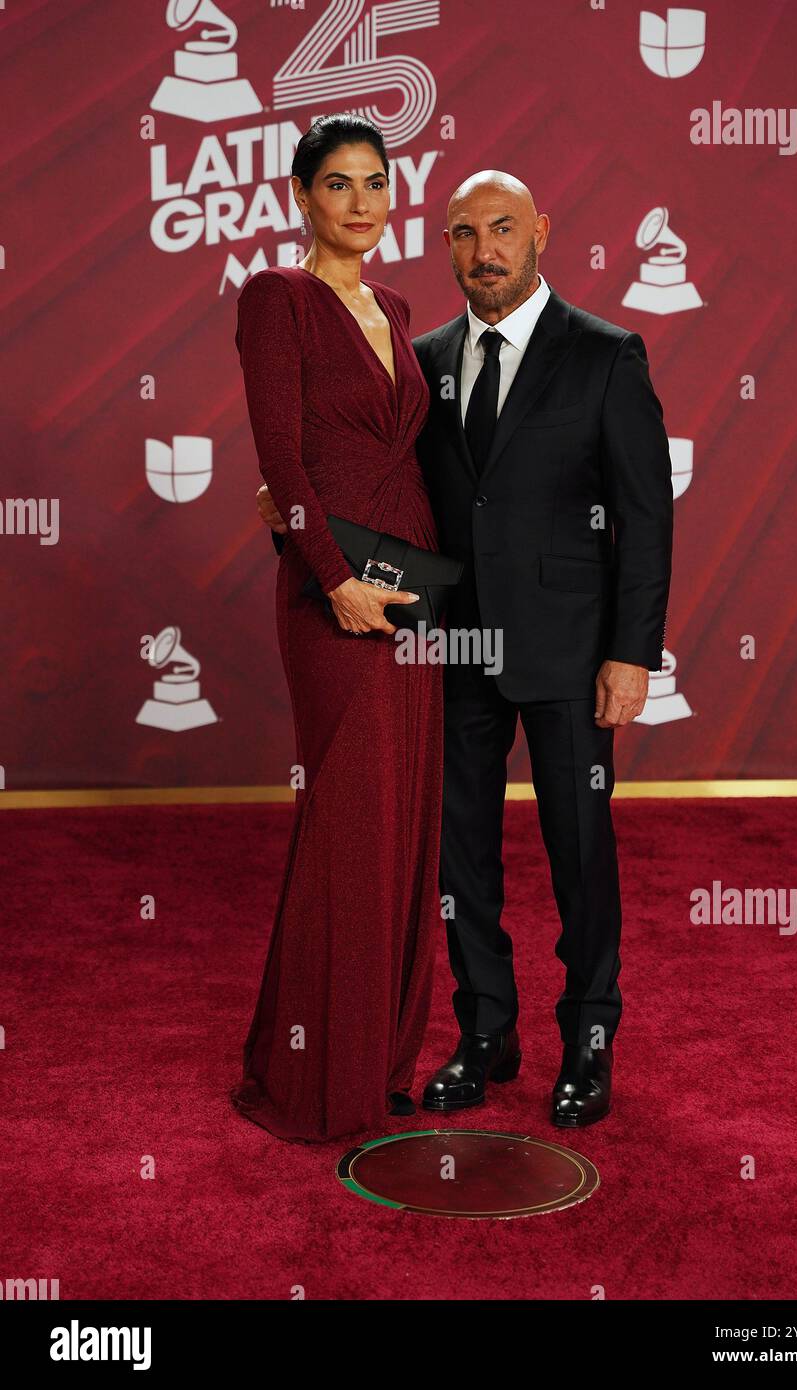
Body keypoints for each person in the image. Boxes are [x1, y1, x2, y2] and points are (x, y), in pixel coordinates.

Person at [260, 170, 674, 1128]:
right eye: (461, 234)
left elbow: (644, 520)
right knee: (462, 864)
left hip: (573, 657)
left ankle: (588, 1039)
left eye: (500, 230)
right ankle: (485, 1031)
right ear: (443, 246)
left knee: (580, 852)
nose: (482, 251)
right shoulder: (424, 361)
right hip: (451, 648)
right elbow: (381, 485)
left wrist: (632, 654)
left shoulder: (606, 354)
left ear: (539, 232)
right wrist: (296, 514)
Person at [231, 114, 443, 1142]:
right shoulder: (277, 300)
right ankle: (320, 1074)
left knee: (403, 823)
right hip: (335, 597)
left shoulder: (397, 306)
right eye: (339, 186)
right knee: (351, 821)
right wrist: (332, 579)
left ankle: (385, 1058)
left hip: (414, 589)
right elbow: (283, 460)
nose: (362, 203)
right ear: (301, 197)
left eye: (376, 183)